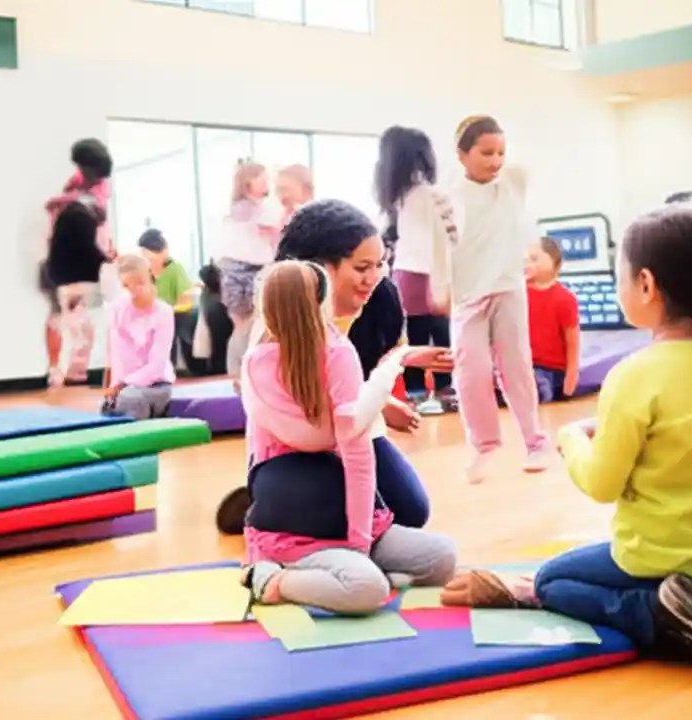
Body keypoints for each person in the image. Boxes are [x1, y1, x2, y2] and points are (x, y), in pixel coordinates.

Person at [442, 207, 692, 677]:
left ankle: (670, 615)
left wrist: (569, 439)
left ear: (646, 285)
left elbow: (602, 484)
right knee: (680, 571)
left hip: (658, 554)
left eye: (620, 276)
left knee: (552, 582)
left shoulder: (635, 374)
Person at [215, 200, 448, 535]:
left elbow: (353, 384)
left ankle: (292, 505)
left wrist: (380, 403)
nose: (373, 277)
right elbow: (291, 415)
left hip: (349, 426)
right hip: (298, 439)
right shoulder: (279, 323)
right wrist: (371, 408)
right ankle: (270, 502)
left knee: (410, 510)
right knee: (334, 512)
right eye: (361, 267)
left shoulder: (378, 303)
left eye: (379, 264)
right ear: (321, 268)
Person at [239, 260, 457, 614]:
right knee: (367, 589)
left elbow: (357, 454)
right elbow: (261, 454)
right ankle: (269, 579)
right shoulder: (258, 362)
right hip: (296, 524)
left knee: (442, 558)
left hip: (346, 512)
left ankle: (348, 565)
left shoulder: (337, 354)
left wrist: (360, 541)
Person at [448, 116, 545, 482]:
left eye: (500, 152)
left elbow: (518, 161)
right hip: (468, 296)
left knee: (516, 366)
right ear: (462, 156)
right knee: (471, 372)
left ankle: (535, 440)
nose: (495, 160)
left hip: (508, 287)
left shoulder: (513, 182)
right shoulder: (450, 196)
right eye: (486, 153)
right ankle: (485, 446)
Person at [375, 125, 456, 410]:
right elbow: (450, 236)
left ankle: (420, 390)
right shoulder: (418, 195)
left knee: (418, 334)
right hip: (425, 271)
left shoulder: (403, 196)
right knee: (433, 332)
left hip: (414, 272)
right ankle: (439, 389)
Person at [42, 139, 115, 388]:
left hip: (79, 264)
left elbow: (99, 226)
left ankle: (70, 371)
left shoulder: (96, 193)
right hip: (70, 264)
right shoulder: (74, 201)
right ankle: (60, 371)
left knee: (79, 323)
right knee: (70, 321)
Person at [217, 161, 281, 376]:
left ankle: (244, 373)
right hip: (243, 270)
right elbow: (271, 229)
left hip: (251, 269)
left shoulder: (254, 208)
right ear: (246, 182)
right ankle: (239, 374)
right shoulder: (246, 209)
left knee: (249, 326)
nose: (265, 182)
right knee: (245, 326)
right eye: (260, 178)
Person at [45, 199, 111, 388]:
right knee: (89, 332)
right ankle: (83, 372)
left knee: (72, 333)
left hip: (65, 286)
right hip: (87, 285)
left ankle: (68, 372)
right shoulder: (85, 224)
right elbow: (94, 256)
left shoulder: (60, 238)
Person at [102, 254, 176, 420]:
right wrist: (112, 386)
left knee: (131, 399)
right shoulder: (117, 309)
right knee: (124, 401)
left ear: (150, 277)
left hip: (157, 385)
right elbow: (114, 354)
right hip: (124, 387)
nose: (134, 290)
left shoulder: (163, 312)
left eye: (140, 283)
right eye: (127, 285)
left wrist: (125, 383)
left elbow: (157, 365)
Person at [526, 236, 581, 402]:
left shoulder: (565, 298)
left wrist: (571, 375)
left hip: (551, 369)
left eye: (534, 259)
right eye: (525, 260)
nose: (527, 264)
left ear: (554, 261)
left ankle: (536, 389)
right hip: (523, 363)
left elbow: (572, 339)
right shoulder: (518, 295)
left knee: (540, 380)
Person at [137, 228, 192, 307]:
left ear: (164, 252)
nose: (148, 261)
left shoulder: (175, 270)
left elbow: (185, 302)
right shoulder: (143, 273)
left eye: (151, 259)